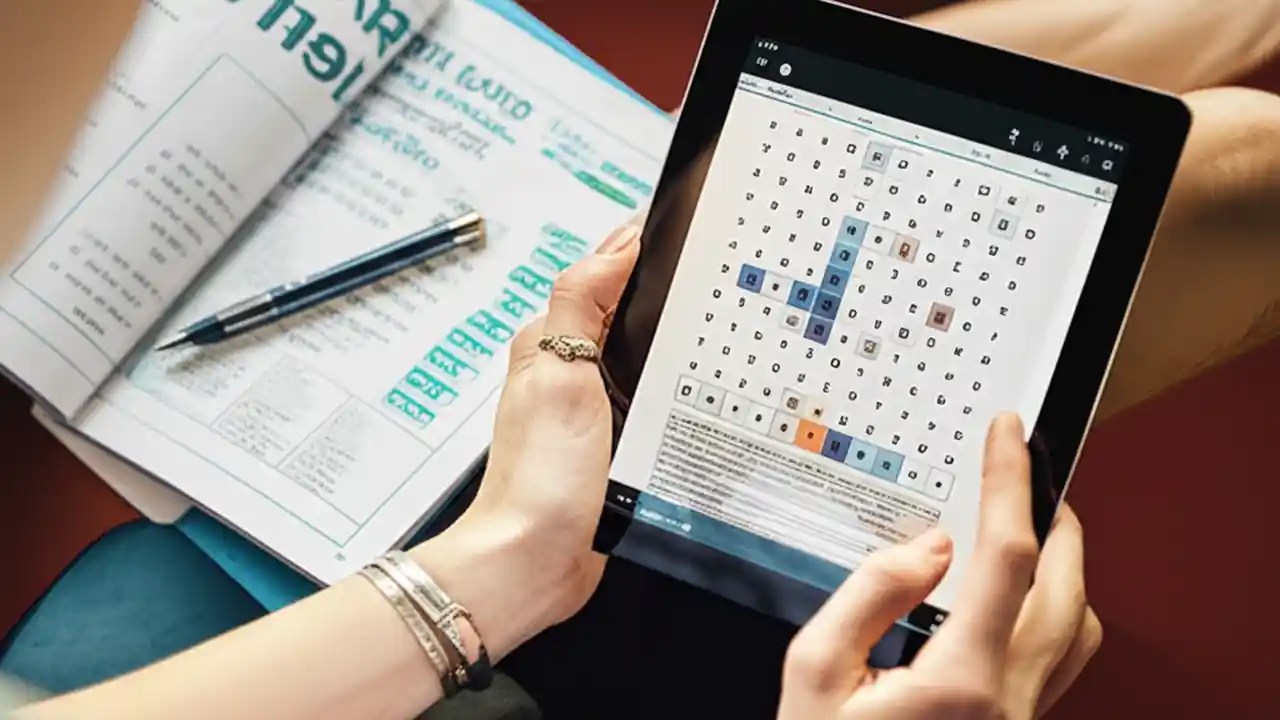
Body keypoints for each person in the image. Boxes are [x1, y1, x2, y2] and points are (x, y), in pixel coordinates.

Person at [2, 0, 1278, 718]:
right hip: (653, 653)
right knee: (1234, 169)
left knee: (1086, 104)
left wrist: (506, 557)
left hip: (461, 584)